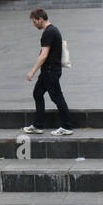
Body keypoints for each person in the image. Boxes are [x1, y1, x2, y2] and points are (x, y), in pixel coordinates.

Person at [24, 8, 73, 136]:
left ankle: (67, 126)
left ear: (40, 19)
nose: (34, 25)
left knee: (57, 97)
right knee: (38, 93)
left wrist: (32, 71)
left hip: (50, 71)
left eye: (34, 22)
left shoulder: (49, 32)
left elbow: (43, 55)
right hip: (48, 71)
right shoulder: (52, 30)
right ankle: (38, 125)